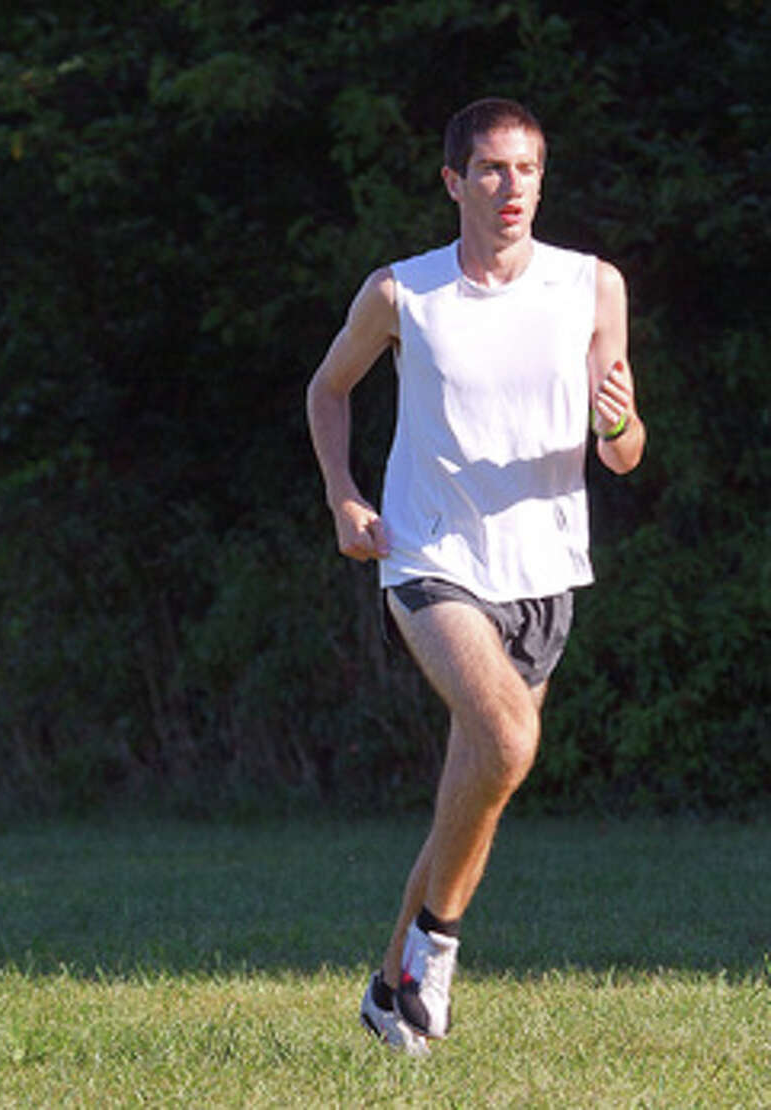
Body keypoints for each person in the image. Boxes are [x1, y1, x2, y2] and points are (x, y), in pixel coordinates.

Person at [306, 98, 645, 1055]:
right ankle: (439, 947)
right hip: (428, 559)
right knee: (504, 735)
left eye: (527, 170)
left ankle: (388, 987)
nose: (512, 189)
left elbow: (622, 453)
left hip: (545, 571)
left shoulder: (591, 286)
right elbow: (328, 389)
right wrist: (343, 496)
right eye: (491, 170)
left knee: (479, 783)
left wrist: (616, 422)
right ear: (454, 181)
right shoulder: (403, 294)